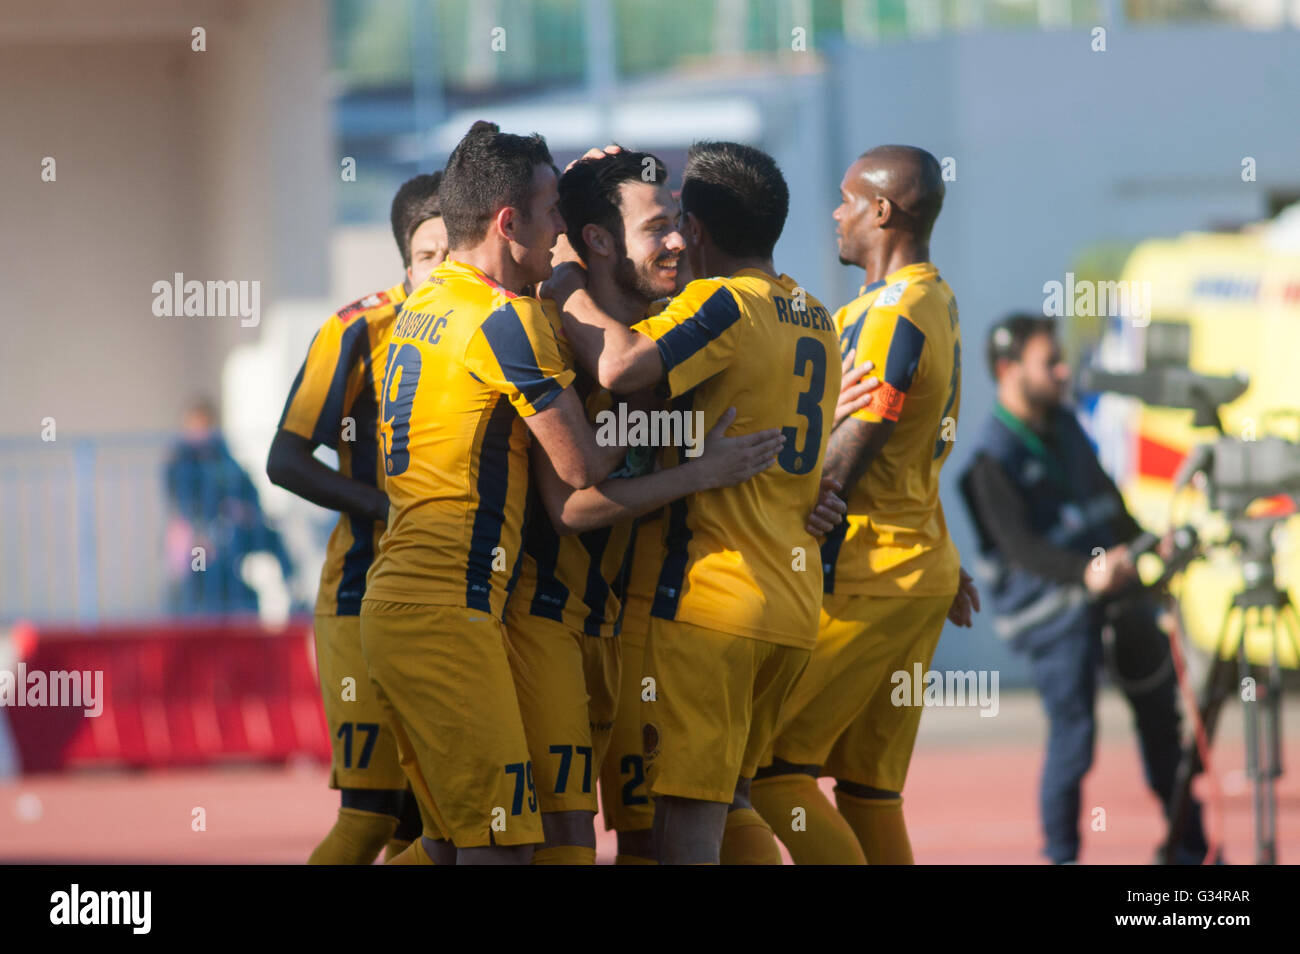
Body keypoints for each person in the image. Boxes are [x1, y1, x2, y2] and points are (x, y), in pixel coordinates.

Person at [546, 141, 842, 864]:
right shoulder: (817, 316)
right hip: (792, 606)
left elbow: (619, 365)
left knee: (687, 826)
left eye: (679, 222)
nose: (676, 240)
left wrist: (563, 279)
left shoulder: (723, 304)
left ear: (700, 230)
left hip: (712, 604)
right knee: (731, 804)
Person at [359, 122, 635, 866]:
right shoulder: (504, 321)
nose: (561, 231)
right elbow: (580, 468)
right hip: (446, 613)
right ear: (508, 223)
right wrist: (653, 410)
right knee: (504, 849)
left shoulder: (423, 305)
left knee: (447, 845)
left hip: (403, 605)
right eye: (552, 213)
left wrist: (565, 180)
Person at [751, 145, 977, 865]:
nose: (835, 213)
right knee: (867, 787)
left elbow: (856, 449)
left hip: (867, 574)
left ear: (881, 211)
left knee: (769, 769)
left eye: (847, 200)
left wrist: (789, 489)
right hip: (919, 566)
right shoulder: (933, 297)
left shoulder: (890, 312)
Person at [959, 313, 1210, 865]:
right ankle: (1062, 856)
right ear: (1007, 370)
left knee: (1164, 729)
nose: (1063, 370)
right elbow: (1021, 550)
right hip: (1054, 619)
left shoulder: (1068, 425)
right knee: (1074, 744)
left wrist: (1149, 542)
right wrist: (1086, 573)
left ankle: (1191, 852)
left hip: (1117, 599)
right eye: (1049, 362)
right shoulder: (988, 462)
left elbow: (1110, 508)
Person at [266, 173, 445, 865]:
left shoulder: (497, 323)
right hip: (359, 595)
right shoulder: (357, 328)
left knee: (425, 824)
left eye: (452, 253)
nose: (441, 270)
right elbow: (285, 459)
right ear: (405, 259)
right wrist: (385, 506)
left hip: (459, 603)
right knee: (371, 817)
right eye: (427, 255)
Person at [166, 399, 292, 616]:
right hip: (201, 534)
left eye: (205, 425)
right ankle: (198, 610)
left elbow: (247, 488)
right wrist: (203, 524)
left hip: (234, 528)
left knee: (271, 538)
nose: (202, 432)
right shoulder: (180, 463)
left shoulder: (224, 458)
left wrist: (248, 511)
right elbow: (183, 502)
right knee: (203, 565)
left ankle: (294, 592)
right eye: (196, 425)